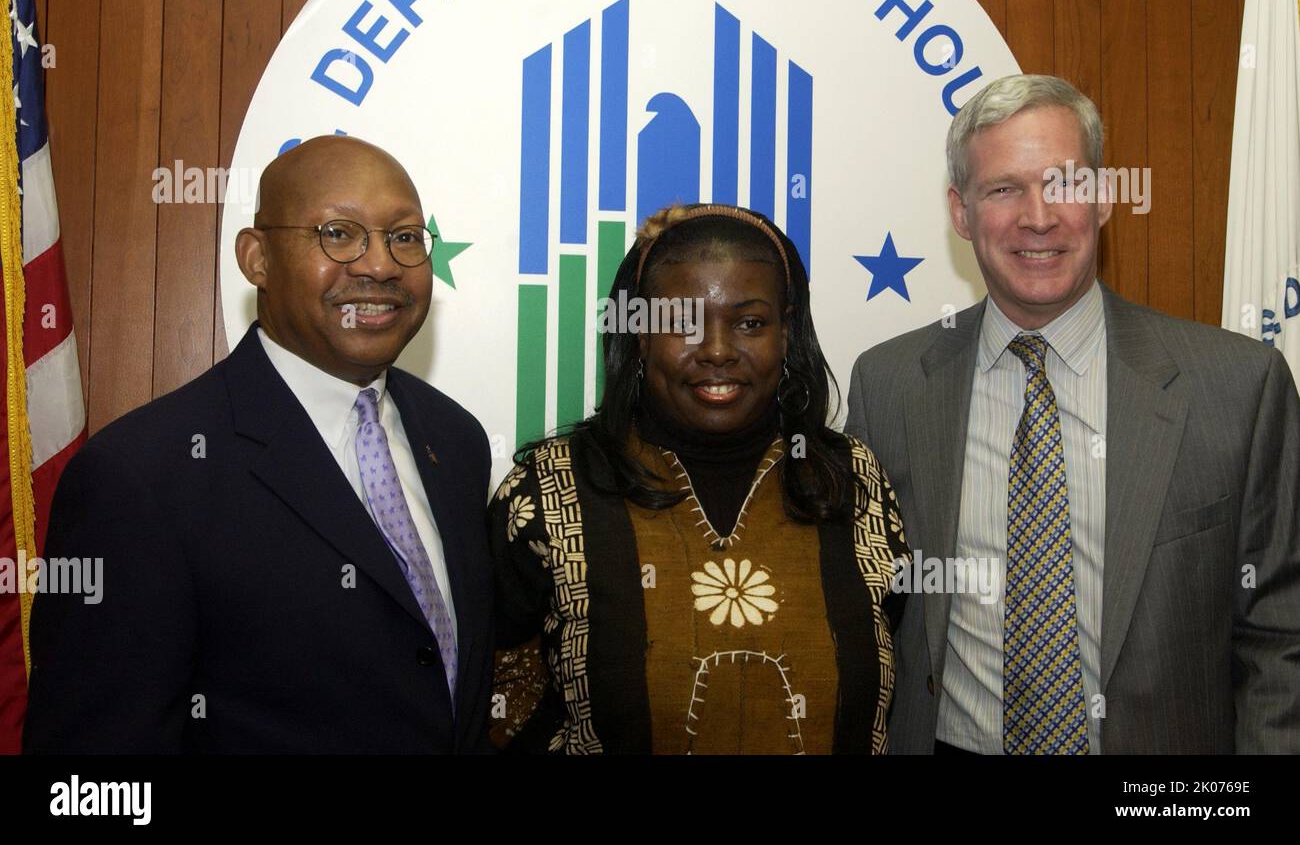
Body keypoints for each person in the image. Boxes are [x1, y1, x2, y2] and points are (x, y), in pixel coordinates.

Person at [846, 74, 1300, 754]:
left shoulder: (1238, 387)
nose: (1039, 216)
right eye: (1004, 189)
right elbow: (865, 617)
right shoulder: (889, 385)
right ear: (961, 211)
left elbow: (1280, 636)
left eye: (1064, 184)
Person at [23, 135, 494, 753]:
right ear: (257, 258)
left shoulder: (457, 442)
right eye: (339, 233)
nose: (380, 265)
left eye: (404, 237)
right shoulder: (140, 477)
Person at [489, 204, 909, 754]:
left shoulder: (854, 480)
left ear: (787, 333)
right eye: (681, 323)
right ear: (638, 335)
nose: (715, 350)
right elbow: (499, 698)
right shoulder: (546, 490)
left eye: (750, 322)